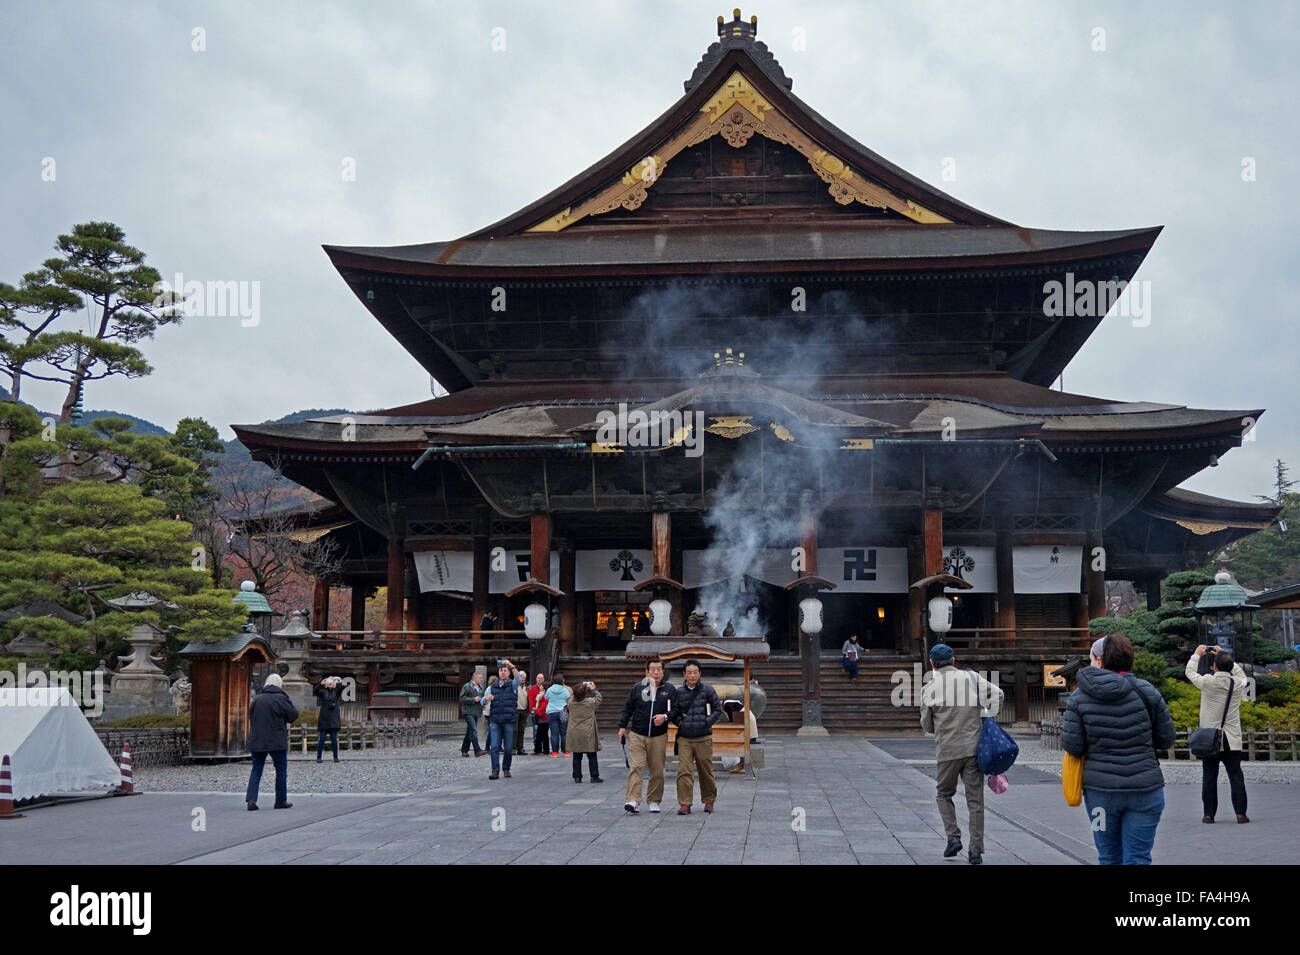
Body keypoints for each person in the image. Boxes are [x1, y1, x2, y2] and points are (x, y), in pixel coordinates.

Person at [1061, 634, 1175, 865]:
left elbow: (1073, 746)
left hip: (1100, 794)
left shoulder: (1079, 697)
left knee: (1108, 856)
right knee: (1138, 857)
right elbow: (1166, 740)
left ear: (1100, 661)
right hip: (1145, 790)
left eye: (1092, 658)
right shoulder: (1146, 691)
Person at [919, 643, 1005, 865]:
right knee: (975, 800)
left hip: (947, 750)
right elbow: (998, 694)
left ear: (932, 663)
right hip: (973, 748)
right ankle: (975, 850)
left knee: (943, 794)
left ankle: (953, 836)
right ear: (954, 660)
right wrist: (987, 716)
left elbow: (927, 726)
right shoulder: (972, 678)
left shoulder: (928, 688)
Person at [1186, 645, 1249, 824]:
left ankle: (1208, 814)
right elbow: (1242, 676)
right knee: (1236, 776)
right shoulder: (1237, 684)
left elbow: (1190, 672)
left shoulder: (1208, 682)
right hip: (1232, 739)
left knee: (1209, 777)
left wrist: (1196, 655)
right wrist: (1225, 656)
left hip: (1210, 739)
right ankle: (1241, 814)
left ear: (1214, 667)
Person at [618, 657, 675, 814]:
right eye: (652, 669)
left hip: (658, 736)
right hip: (637, 733)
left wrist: (665, 716)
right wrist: (622, 726)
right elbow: (627, 708)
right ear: (647, 671)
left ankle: (654, 800)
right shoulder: (638, 688)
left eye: (658, 669)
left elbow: (675, 710)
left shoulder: (669, 690)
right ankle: (633, 800)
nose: (655, 672)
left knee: (657, 769)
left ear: (663, 672)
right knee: (636, 766)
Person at [671, 660, 722, 814]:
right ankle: (685, 803)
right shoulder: (678, 692)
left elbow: (717, 710)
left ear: (700, 673)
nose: (692, 675)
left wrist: (706, 722)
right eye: (689, 672)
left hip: (703, 738)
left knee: (705, 771)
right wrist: (680, 722)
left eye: (695, 672)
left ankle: (708, 801)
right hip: (685, 738)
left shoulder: (708, 690)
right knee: (684, 771)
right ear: (684, 674)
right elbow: (674, 712)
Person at [245, 673, 299, 811]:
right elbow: (293, 715)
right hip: (276, 739)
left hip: (257, 738)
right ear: (279, 684)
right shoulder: (281, 699)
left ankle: (251, 799)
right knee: (281, 770)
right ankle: (280, 800)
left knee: (256, 769)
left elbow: (251, 715)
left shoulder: (257, 699)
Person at [481, 659, 521, 780]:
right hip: (495, 720)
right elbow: (482, 701)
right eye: (501, 671)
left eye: (505, 671)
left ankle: (506, 768)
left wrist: (512, 666)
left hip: (509, 720)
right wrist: (486, 699)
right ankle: (495, 770)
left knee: (508, 747)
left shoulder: (512, 685)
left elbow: (518, 679)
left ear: (508, 673)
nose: (503, 672)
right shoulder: (492, 687)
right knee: (494, 746)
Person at [567, 680, 604, 783]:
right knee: (592, 755)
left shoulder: (570, 703)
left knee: (577, 755)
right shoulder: (590, 702)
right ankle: (594, 776)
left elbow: (571, 697)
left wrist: (578, 690)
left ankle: (577, 777)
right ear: (585, 693)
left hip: (575, 732)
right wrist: (594, 689)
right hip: (588, 732)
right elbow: (599, 698)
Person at [313, 675, 344, 762]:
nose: (330, 684)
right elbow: (315, 691)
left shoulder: (336, 692)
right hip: (324, 717)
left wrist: (338, 679)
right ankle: (319, 757)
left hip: (333, 718)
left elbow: (342, 687)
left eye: (331, 683)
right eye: (329, 683)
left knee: (334, 739)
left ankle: (335, 757)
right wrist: (321, 683)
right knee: (322, 739)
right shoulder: (323, 692)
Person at [459, 670, 487, 757]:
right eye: (480, 678)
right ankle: (477, 750)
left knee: (470, 731)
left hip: (476, 712)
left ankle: (464, 750)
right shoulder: (467, 686)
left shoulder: (481, 688)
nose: (482, 679)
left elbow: (482, 698)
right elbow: (462, 698)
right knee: (474, 730)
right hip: (468, 711)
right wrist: (473, 699)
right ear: (474, 678)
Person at [544, 674, 572, 757]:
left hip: (552, 712)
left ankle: (555, 752)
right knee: (564, 733)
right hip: (563, 711)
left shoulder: (549, 689)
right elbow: (568, 698)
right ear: (562, 681)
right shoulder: (565, 690)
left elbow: (546, 697)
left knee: (554, 733)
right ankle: (566, 751)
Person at [529, 672, 550, 755]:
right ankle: (538, 749)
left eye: (541, 678)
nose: (540, 680)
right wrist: (532, 709)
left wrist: (537, 711)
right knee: (539, 733)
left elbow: (544, 705)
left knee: (543, 734)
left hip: (543, 716)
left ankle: (544, 750)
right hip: (539, 714)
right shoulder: (534, 689)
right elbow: (531, 699)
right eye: (539, 678)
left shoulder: (545, 694)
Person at [514, 669, 530, 756]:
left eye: (524, 677)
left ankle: (520, 748)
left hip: (524, 710)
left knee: (521, 730)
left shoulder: (528, 687)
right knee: (515, 730)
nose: (523, 679)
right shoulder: (514, 685)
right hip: (516, 710)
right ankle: (513, 748)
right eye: (521, 677)